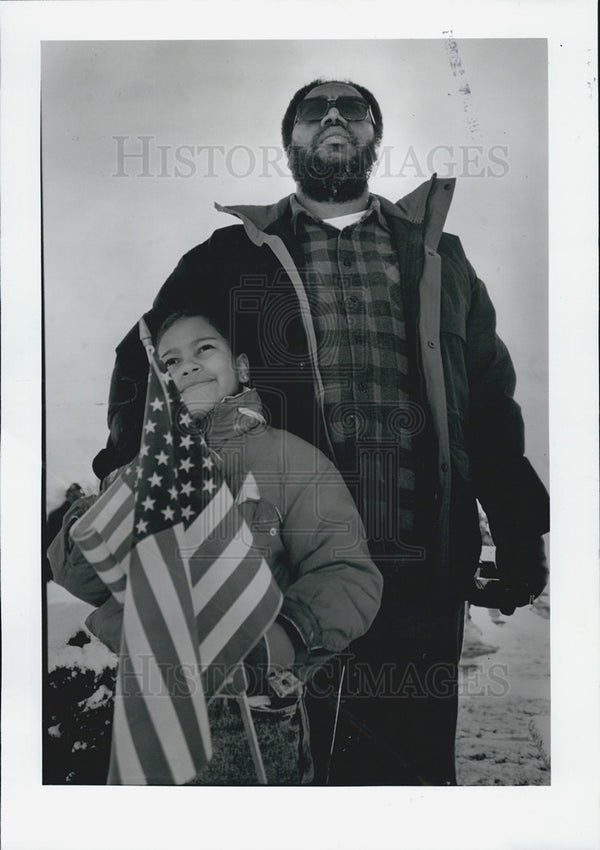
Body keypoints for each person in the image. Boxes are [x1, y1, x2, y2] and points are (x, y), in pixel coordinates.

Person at [91, 79, 549, 785]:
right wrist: (135, 487)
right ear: (291, 142)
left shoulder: (440, 258)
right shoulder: (227, 257)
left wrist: (519, 529)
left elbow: (488, 402)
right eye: (314, 111)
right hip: (289, 562)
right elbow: (148, 363)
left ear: (373, 139)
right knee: (305, 771)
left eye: (352, 110)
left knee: (414, 778)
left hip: (423, 563)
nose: (334, 118)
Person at [48, 308, 383, 785]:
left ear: (241, 367)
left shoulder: (296, 462)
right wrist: (102, 504)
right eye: (170, 362)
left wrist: (280, 640)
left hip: (254, 712)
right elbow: (79, 577)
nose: (186, 366)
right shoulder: (141, 471)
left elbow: (348, 575)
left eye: (204, 348)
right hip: (153, 706)